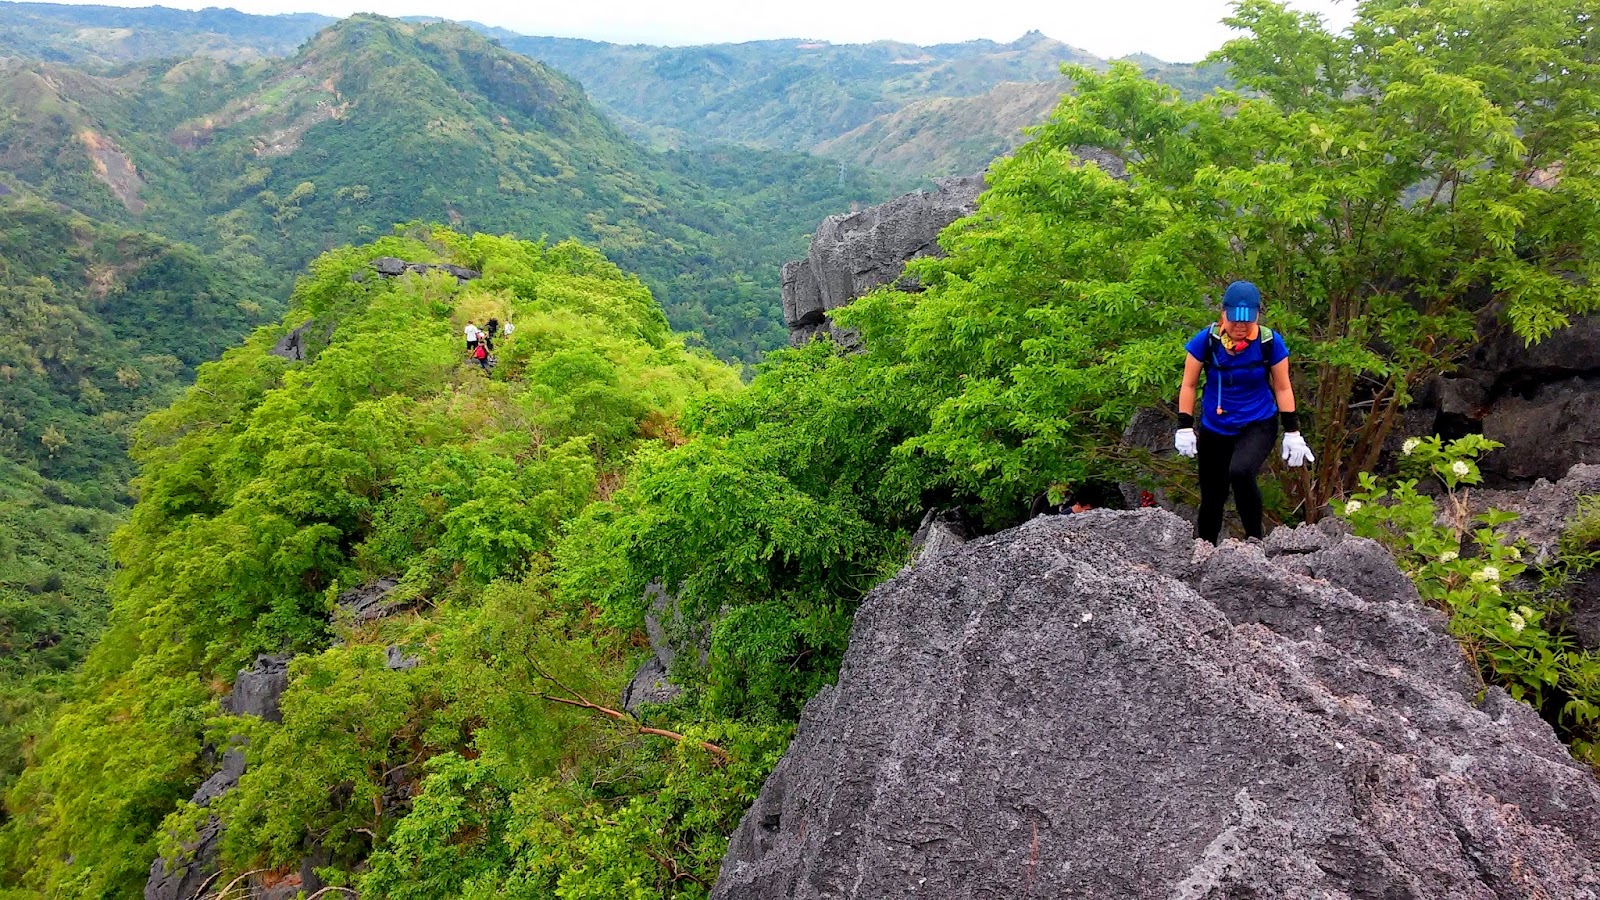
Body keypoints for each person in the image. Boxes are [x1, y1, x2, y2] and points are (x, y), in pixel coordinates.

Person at [1174, 281, 1314, 544]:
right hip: (1215, 426)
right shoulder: (1206, 340)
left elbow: (1283, 387)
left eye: (1246, 320)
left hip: (1257, 422)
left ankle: (1254, 541)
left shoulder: (1269, 342)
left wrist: (1292, 431)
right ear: (1223, 313)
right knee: (1212, 494)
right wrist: (1184, 425)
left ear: (1257, 316)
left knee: (1241, 472)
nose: (1240, 327)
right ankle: (1205, 549)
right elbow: (1189, 384)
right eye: (1234, 320)